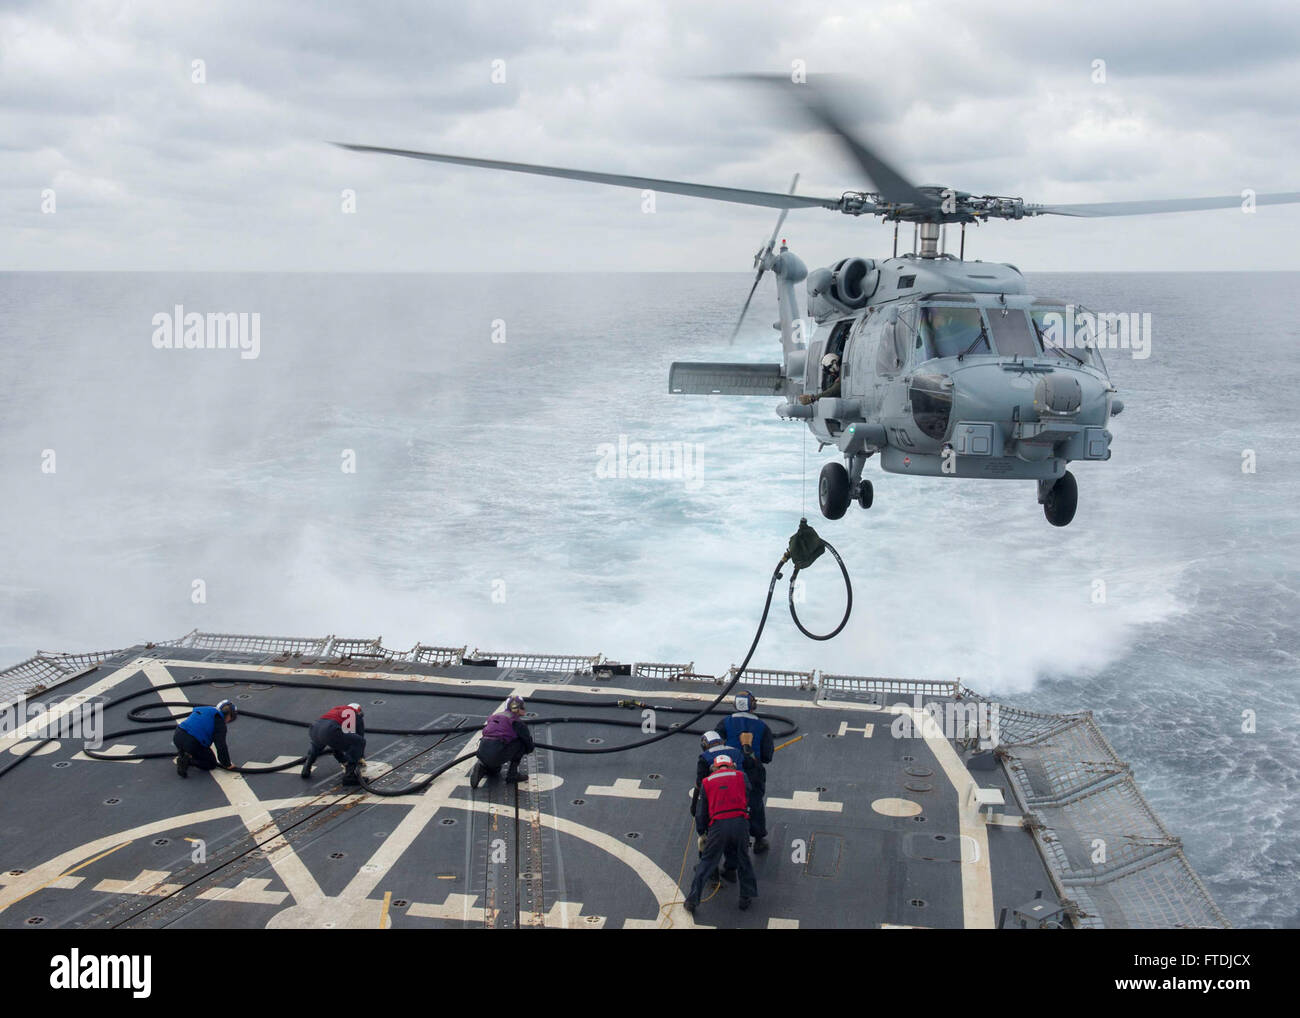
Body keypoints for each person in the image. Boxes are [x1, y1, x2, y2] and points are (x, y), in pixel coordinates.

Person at [684, 755, 758, 914]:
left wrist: (702, 831)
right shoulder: (741, 776)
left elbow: (702, 811)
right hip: (740, 822)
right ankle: (745, 897)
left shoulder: (707, 782)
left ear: (715, 767)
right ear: (732, 765)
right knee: (744, 859)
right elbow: (748, 795)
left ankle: (692, 900)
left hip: (718, 825)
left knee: (707, 862)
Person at [689, 730, 758, 883]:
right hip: (739, 805)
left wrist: (695, 809)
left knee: (708, 839)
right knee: (734, 839)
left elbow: (700, 785)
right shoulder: (736, 752)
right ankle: (731, 869)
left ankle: (711, 872)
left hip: (717, 804)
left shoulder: (704, 758)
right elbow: (752, 766)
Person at [720, 691, 774, 852]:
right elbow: (767, 756)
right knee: (755, 803)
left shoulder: (725, 723)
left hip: (729, 771)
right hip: (753, 772)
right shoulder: (763, 727)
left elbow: (714, 746)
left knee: (724, 803)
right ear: (753, 706)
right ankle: (759, 839)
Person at [469, 695, 534, 788]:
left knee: (495, 771)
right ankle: (512, 775)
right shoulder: (517, 723)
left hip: (482, 752)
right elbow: (529, 744)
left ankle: (482, 767)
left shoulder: (493, 717)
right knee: (521, 743)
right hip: (497, 752)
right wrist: (526, 748)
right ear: (518, 708)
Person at [301, 703, 366, 785]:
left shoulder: (337, 709)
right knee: (359, 741)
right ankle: (349, 776)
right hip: (330, 730)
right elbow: (357, 736)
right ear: (358, 710)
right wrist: (359, 757)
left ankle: (306, 768)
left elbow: (338, 740)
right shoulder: (354, 714)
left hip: (315, 728)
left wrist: (341, 759)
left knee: (317, 746)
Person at [173, 700, 237, 778]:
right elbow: (221, 746)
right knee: (211, 764)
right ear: (229, 715)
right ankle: (187, 760)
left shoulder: (206, 709)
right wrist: (227, 764)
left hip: (177, 735)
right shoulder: (220, 724)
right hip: (192, 742)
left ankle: (183, 753)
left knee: (188, 744)